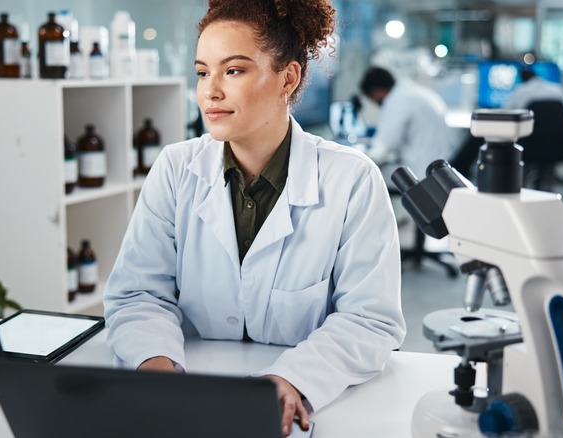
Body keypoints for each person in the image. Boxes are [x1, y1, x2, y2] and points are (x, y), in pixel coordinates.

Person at [103, 0, 407, 436]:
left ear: (289, 78)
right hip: (191, 399)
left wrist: (292, 380)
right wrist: (158, 371)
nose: (210, 91)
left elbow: (369, 319)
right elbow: (137, 294)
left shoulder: (352, 179)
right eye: (203, 72)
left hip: (308, 410)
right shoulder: (175, 168)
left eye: (234, 70)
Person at [360, 66, 456, 182]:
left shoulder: (398, 100)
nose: (375, 102)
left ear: (377, 91)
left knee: (368, 177)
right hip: (440, 166)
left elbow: (382, 147)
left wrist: (359, 156)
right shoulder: (414, 92)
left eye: (372, 98)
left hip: (422, 171)